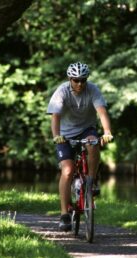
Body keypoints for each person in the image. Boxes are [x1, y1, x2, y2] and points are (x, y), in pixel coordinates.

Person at [47, 62, 113, 231]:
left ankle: (91, 181)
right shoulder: (62, 91)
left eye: (83, 80)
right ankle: (64, 214)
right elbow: (55, 117)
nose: (80, 84)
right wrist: (56, 136)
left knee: (93, 143)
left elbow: (102, 111)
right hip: (65, 135)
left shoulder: (93, 90)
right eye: (76, 80)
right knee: (67, 170)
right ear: (70, 79)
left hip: (86, 130)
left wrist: (106, 132)